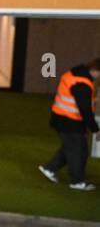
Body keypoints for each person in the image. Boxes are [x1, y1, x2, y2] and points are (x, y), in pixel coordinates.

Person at [39, 58, 100, 191]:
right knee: (78, 152)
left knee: (72, 148)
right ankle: (77, 182)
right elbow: (85, 109)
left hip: (62, 118)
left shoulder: (75, 74)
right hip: (69, 122)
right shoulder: (82, 83)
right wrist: (95, 129)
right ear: (95, 71)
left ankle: (49, 169)